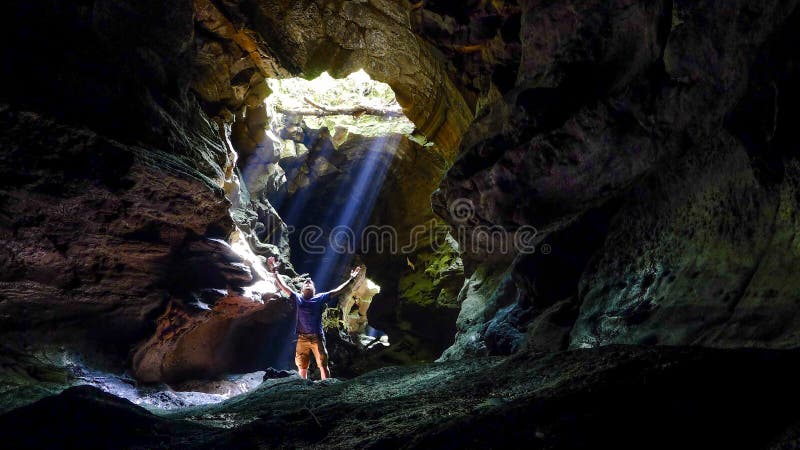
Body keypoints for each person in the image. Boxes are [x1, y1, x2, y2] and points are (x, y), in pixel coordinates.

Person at [267, 256, 361, 380]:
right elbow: (283, 286)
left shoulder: (319, 298)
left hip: (317, 337)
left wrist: (351, 279)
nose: (308, 282)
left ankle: (327, 385)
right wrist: (275, 272)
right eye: (306, 283)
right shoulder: (298, 297)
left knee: (323, 363)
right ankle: (303, 386)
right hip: (302, 337)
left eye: (310, 283)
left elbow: (338, 290)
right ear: (301, 291)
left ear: (314, 290)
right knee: (302, 366)